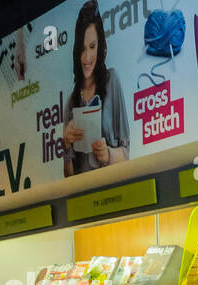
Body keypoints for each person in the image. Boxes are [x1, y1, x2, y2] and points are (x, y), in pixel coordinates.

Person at [62, 1, 130, 175]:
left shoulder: (111, 79)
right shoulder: (71, 102)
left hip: (113, 188)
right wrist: (66, 147)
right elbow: (69, 179)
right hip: (84, 197)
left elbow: (126, 152)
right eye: (82, 49)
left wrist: (109, 155)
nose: (87, 57)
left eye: (92, 46)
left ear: (100, 46)